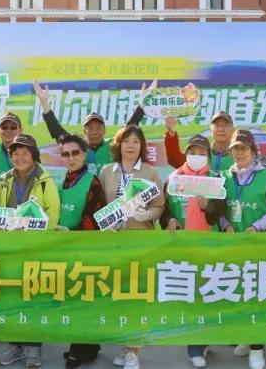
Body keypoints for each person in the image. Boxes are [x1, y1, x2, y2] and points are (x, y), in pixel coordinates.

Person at [95, 126, 164, 369]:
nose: (131, 145)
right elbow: (99, 204)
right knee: (117, 294)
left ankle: (133, 350)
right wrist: (105, 223)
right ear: (118, 144)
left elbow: (159, 206)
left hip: (139, 242)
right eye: (126, 141)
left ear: (142, 146)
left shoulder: (150, 172)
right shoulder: (107, 171)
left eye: (136, 141)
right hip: (113, 243)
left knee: (136, 295)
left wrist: (148, 215)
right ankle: (123, 345)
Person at [161, 132, 226, 369]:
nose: (197, 156)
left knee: (207, 294)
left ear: (208, 156)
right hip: (182, 248)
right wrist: (169, 220)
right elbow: (164, 210)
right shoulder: (174, 178)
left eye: (201, 153)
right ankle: (194, 345)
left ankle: (201, 341)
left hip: (209, 248)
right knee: (189, 296)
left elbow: (221, 212)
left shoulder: (216, 179)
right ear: (186, 154)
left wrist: (208, 206)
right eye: (192, 152)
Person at [0, 133, 59, 369]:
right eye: (16, 153)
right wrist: (1, 231)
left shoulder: (45, 179)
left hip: (35, 248)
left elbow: (53, 214)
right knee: (12, 296)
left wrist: (34, 230)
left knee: (33, 297)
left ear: (34, 156)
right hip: (10, 248)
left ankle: (33, 347)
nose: (20, 157)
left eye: (25, 153)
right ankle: (15, 345)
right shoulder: (4, 180)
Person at [220, 129, 266, 369]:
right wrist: (225, 225)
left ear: (253, 151)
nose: (239, 153)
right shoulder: (224, 177)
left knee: (257, 295)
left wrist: (257, 226)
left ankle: (257, 348)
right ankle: (245, 338)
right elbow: (218, 210)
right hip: (232, 246)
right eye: (235, 149)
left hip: (258, 245)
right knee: (237, 294)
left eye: (244, 148)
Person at [56, 133, 108, 369]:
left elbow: (94, 219)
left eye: (75, 153)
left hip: (86, 249)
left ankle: (80, 350)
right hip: (66, 248)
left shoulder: (92, 181)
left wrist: (72, 232)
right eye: (66, 154)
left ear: (84, 154)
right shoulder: (63, 182)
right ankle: (89, 346)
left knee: (84, 299)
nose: (71, 158)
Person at [32, 80, 148, 172]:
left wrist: (142, 104)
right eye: (90, 128)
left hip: (109, 192)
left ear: (104, 130)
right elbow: (57, 131)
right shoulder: (78, 146)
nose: (94, 132)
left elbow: (128, 128)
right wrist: (44, 103)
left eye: (98, 128)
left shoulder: (113, 145)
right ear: (84, 131)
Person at [165, 112, 236, 175]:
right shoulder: (201, 152)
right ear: (211, 129)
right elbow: (176, 160)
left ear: (232, 130)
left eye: (226, 125)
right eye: (217, 125)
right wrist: (171, 134)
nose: (221, 129)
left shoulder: (238, 155)